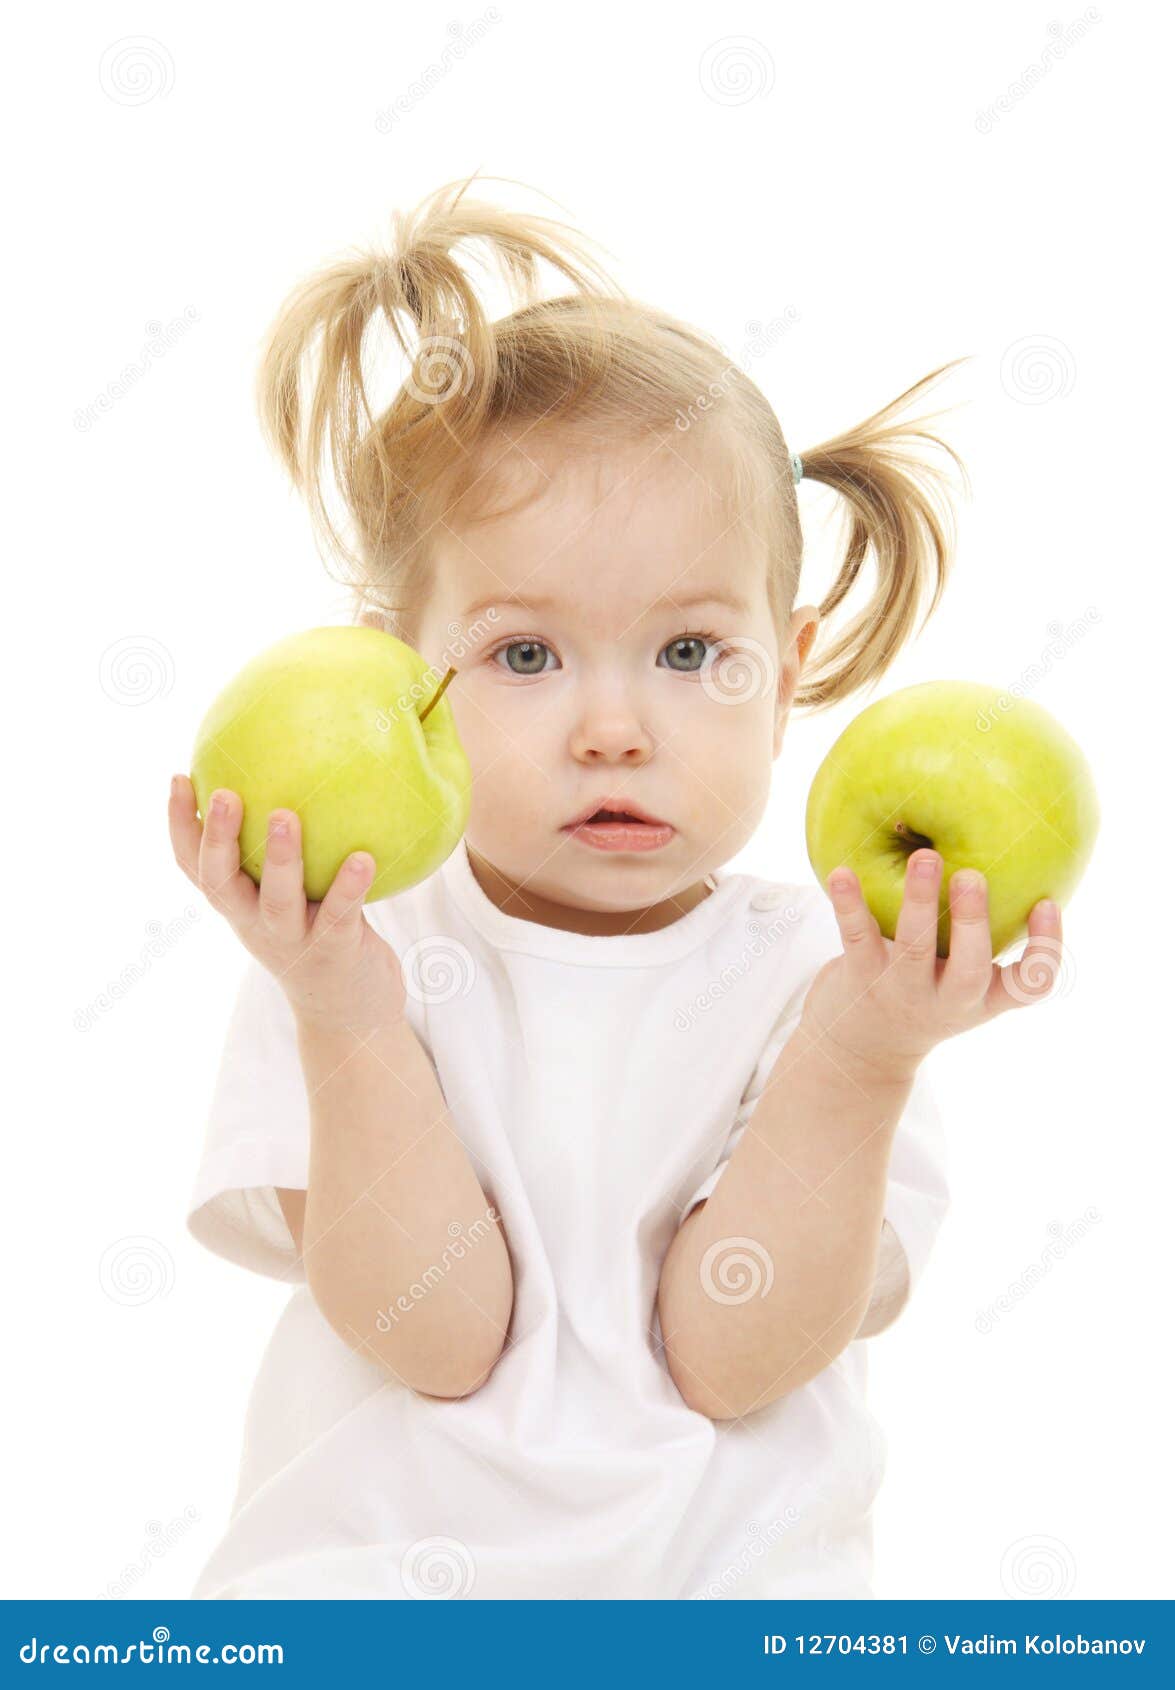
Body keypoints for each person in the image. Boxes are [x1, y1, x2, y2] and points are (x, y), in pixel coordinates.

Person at [168, 172, 1063, 1599]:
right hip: (375, 1599)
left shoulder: (826, 982)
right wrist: (344, 1015)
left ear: (791, 673)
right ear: (402, 672)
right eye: (527, 655)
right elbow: (437, 1335)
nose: (616, 726)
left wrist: (860, 1051)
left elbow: (729, 1360)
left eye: (693, 651)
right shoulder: (342, 940)